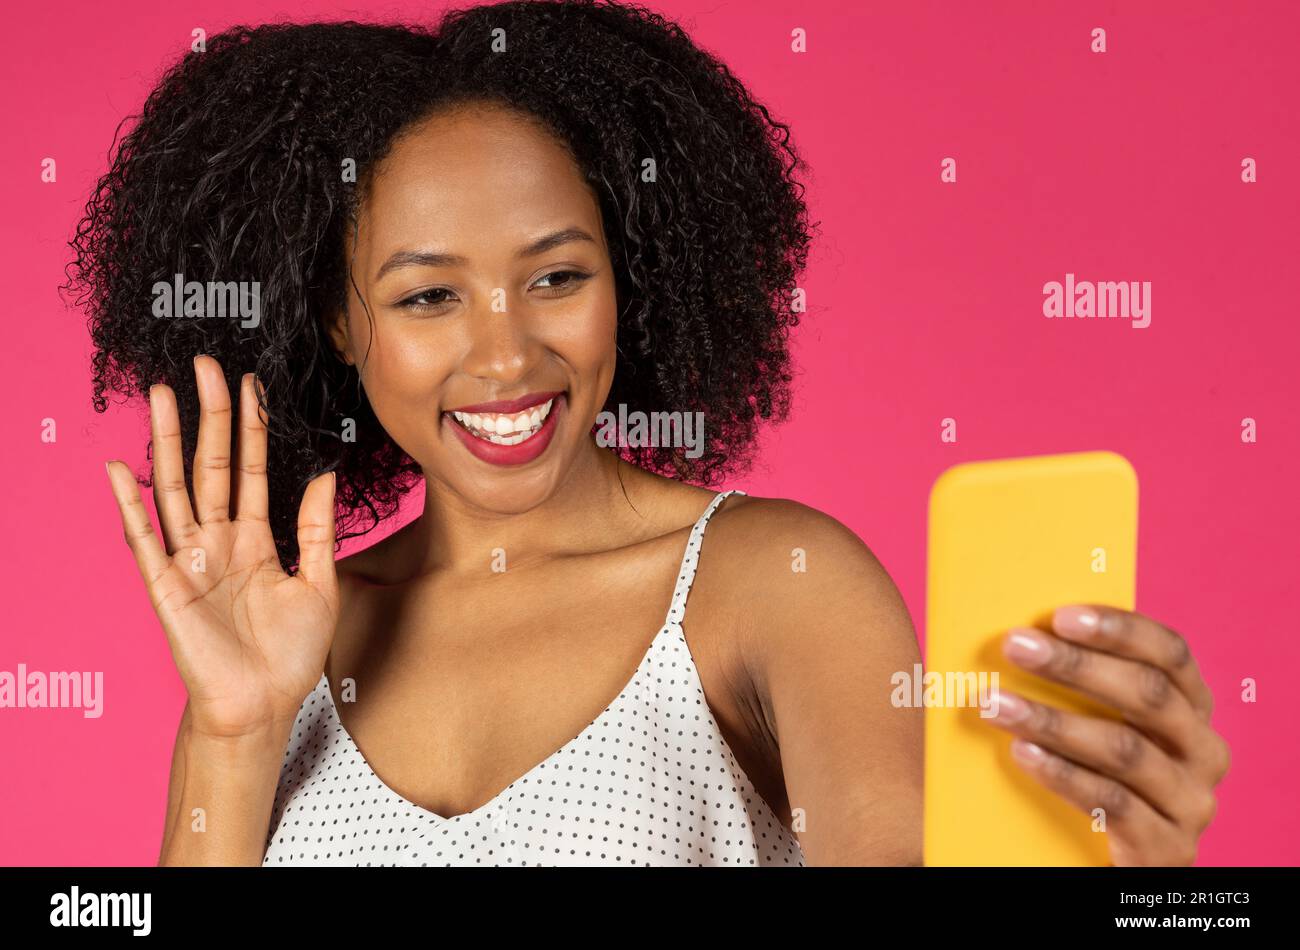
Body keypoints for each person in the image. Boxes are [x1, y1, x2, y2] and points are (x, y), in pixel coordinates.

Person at [69, 1, 1228, 867]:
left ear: (631, 277)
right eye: (428, 295)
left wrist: (1134, 881)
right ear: (337, 317)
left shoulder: (772, 585)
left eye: (557, 276)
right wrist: (232, 728)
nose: (508, 355)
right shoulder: (280, 647)